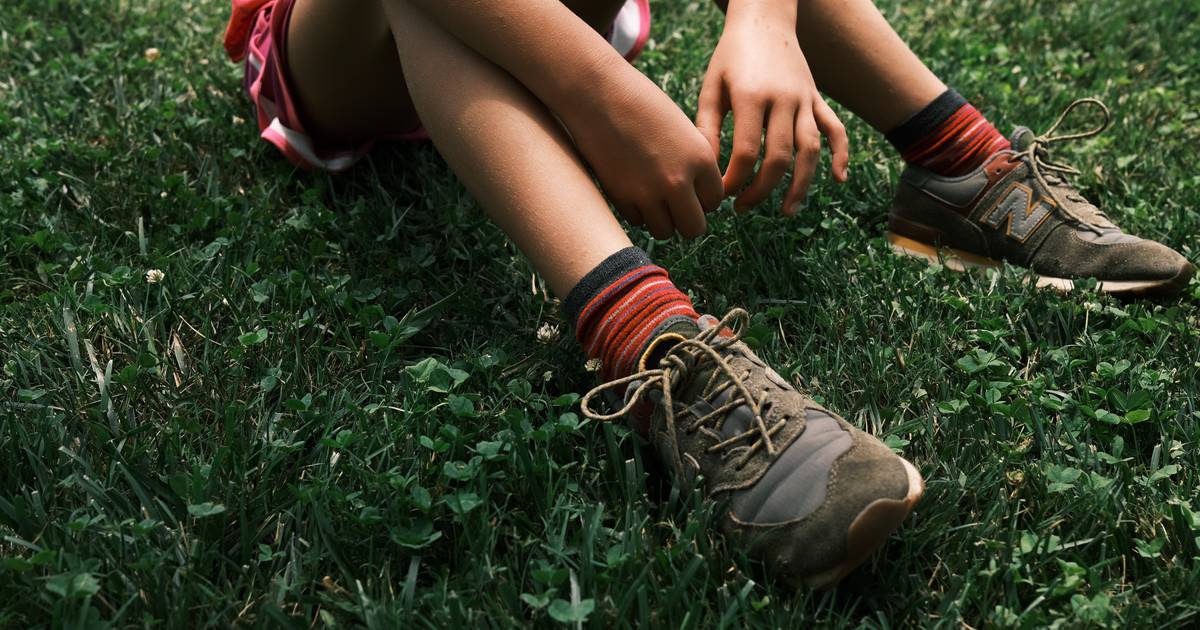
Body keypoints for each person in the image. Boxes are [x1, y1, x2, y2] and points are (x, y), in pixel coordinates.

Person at [222, 0, 1191, 589]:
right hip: (350, 40)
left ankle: (959, 169)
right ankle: (645, 340)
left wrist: (765, 23)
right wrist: (597, 89)